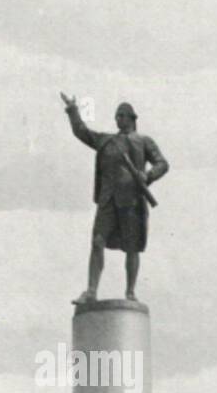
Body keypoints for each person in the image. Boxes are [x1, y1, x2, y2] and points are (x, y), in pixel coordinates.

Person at [60, 94, 169, 303]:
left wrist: (147, 175)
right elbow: (82, 132)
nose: (117, 119)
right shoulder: (107, 141)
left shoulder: (144, 141)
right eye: (116, 116)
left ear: (132, 118)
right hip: (107, 200)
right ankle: (91, 291)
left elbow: (162, 163)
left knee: (132, 247)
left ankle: (130, 292)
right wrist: (73, 110)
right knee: (97, 242)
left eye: (121, 116)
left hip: (132, 201)